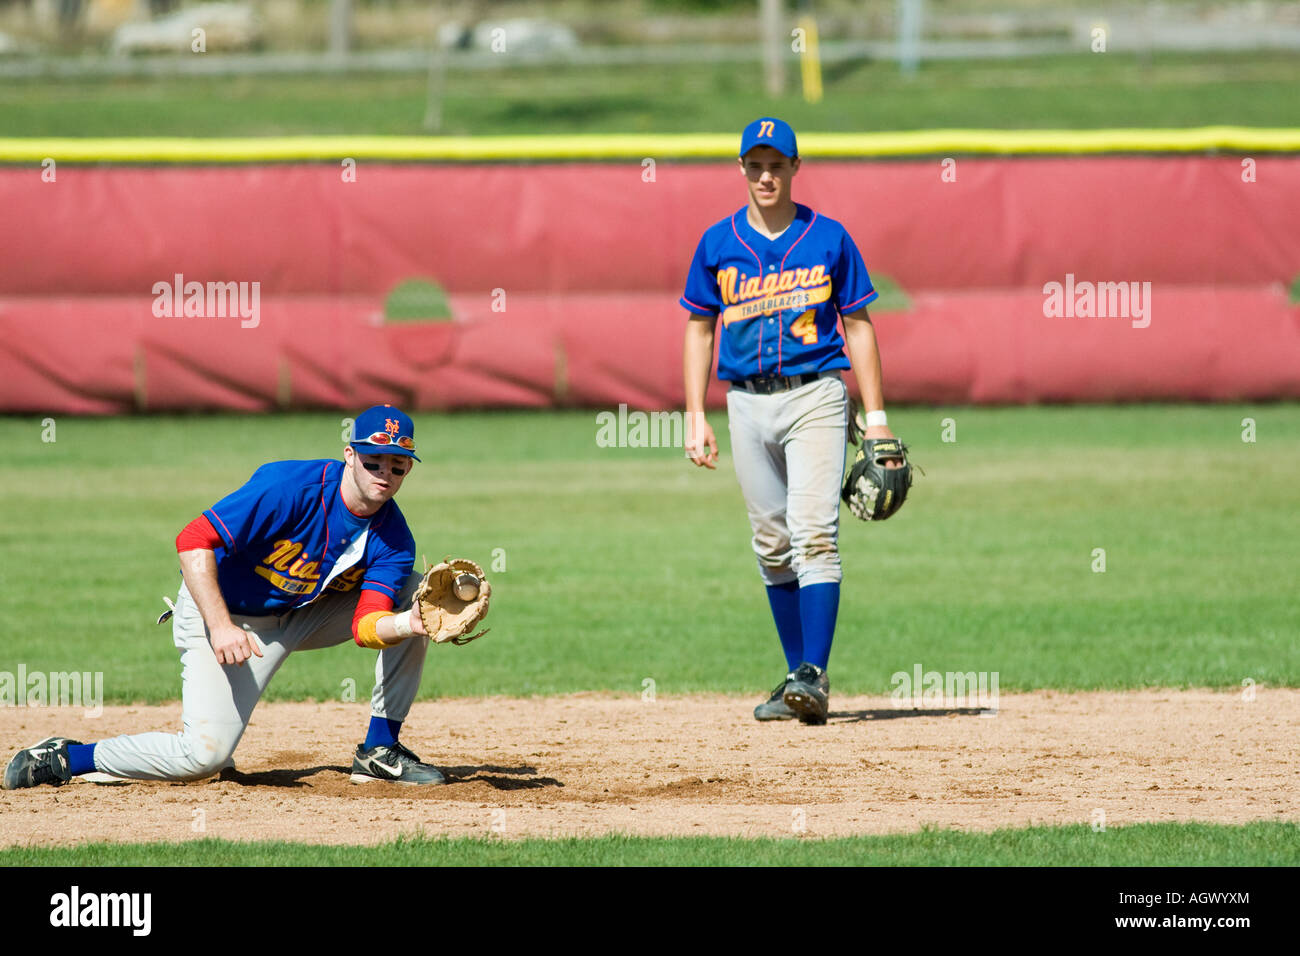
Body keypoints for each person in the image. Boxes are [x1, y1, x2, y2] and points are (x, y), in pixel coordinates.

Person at [4, 405, 450, 789]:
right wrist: (219, 625)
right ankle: (66, 758)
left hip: (302, 612)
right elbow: (193, 539)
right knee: (203, 757)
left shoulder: (394, 536)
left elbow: (366, 625)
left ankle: (379, 749)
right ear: (349, 455)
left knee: (416, 594)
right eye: (374, 461)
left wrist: (412, 623)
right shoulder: (290, 487)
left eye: (398, 465)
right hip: (219, 612)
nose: (385, 475)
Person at [681, 117, 899, 725]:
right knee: (772, 545)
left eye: (777, 164)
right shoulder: (717, 244)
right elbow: (700, 328)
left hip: (817, 397)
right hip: (745, 401)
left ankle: (813, 675)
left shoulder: (828, 238)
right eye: (756, 164)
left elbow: (858, 326)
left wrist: (876, 419)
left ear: (796, 169)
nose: (766, 175)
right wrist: (695, 414)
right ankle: (798, 679)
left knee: (813, 533)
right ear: (742, 169)